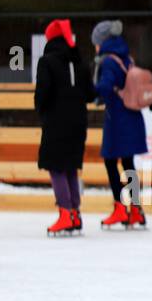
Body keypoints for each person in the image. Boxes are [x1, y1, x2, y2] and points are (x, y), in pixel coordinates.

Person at [35, 18, 95, 237]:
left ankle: (65, 212)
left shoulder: (47, 61)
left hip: (56, 120)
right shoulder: (80, 62)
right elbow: (90, 93)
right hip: (78, 121)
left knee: (55, 165)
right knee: (70, 165)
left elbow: (42, 93)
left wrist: (41, 111)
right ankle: (75, 212)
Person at [91, 19, 148, 230]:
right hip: (132, 116)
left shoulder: (108, 62)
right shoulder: (127, 58)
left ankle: (119, 207)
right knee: (128, 163)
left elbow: (105, 87)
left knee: (109, 161)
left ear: (103, 42)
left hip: (117, 119)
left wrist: (92, 92)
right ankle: (135, 209)